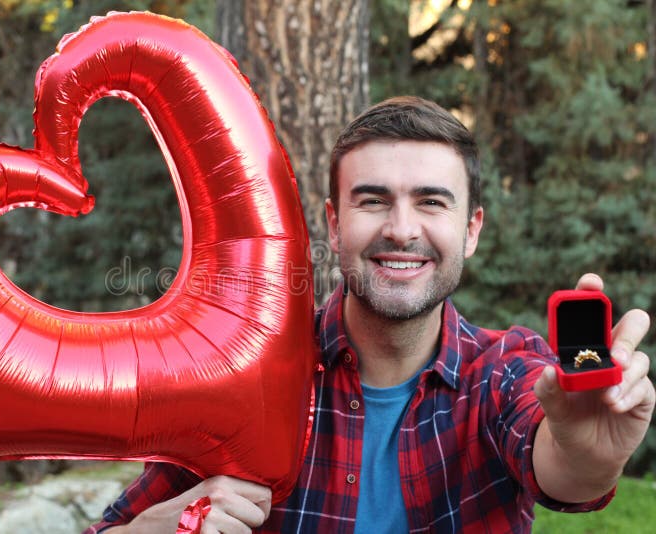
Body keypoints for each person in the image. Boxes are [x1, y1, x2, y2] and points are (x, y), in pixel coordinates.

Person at [85, 96, 655, 533]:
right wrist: (145, 528)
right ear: (334, 225)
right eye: (373, 200)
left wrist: (585, 453)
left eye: (432, 201)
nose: (402, 229)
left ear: (471, 229)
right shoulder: (242, 378)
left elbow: (560, 464)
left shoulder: (504, 371)